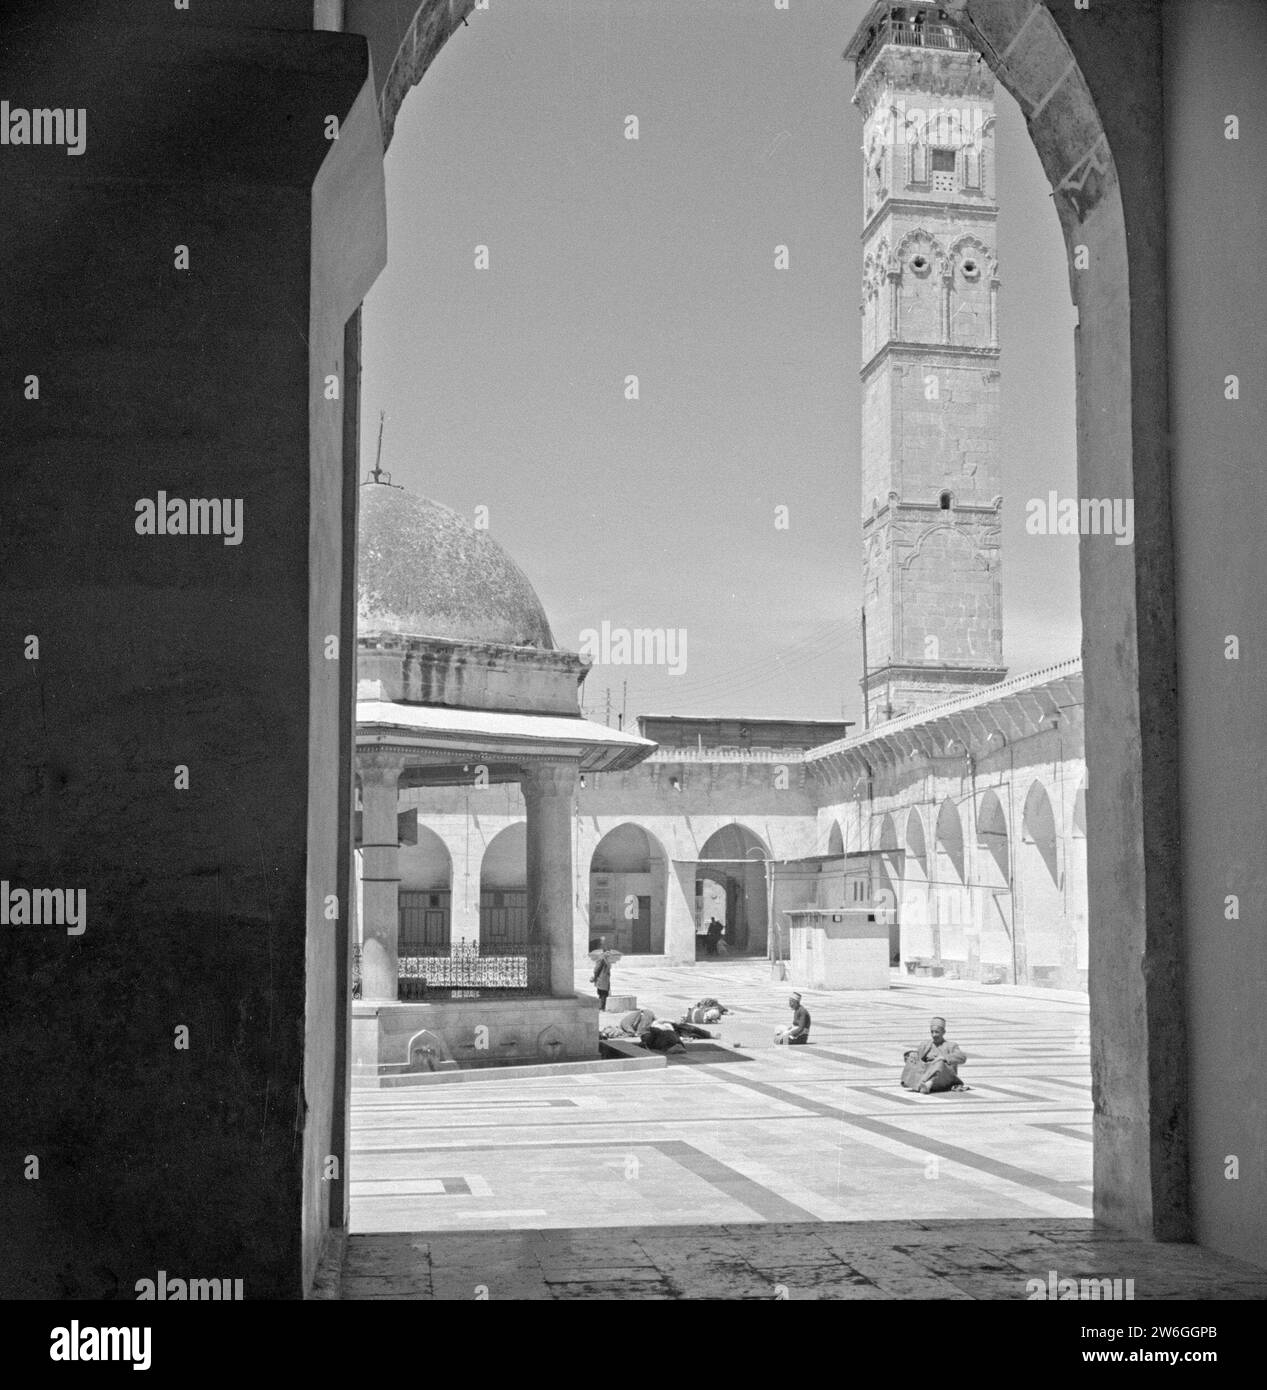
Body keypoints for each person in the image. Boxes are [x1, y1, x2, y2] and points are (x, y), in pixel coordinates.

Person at [901, 1016, 968, 1092]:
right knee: (912, 1057)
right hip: (927, 1070)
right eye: (932, 1032)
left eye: (937, 1032)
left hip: (944, 1075)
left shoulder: (951, 1045)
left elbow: (962, 1058)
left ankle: (927, 1084)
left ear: (943, 1032)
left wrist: (944, 1058)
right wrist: (911, 1055)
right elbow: (919, 1059)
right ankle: (917, 1082)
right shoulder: (925, 1044)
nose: (934, 1035)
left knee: (939, 1063)